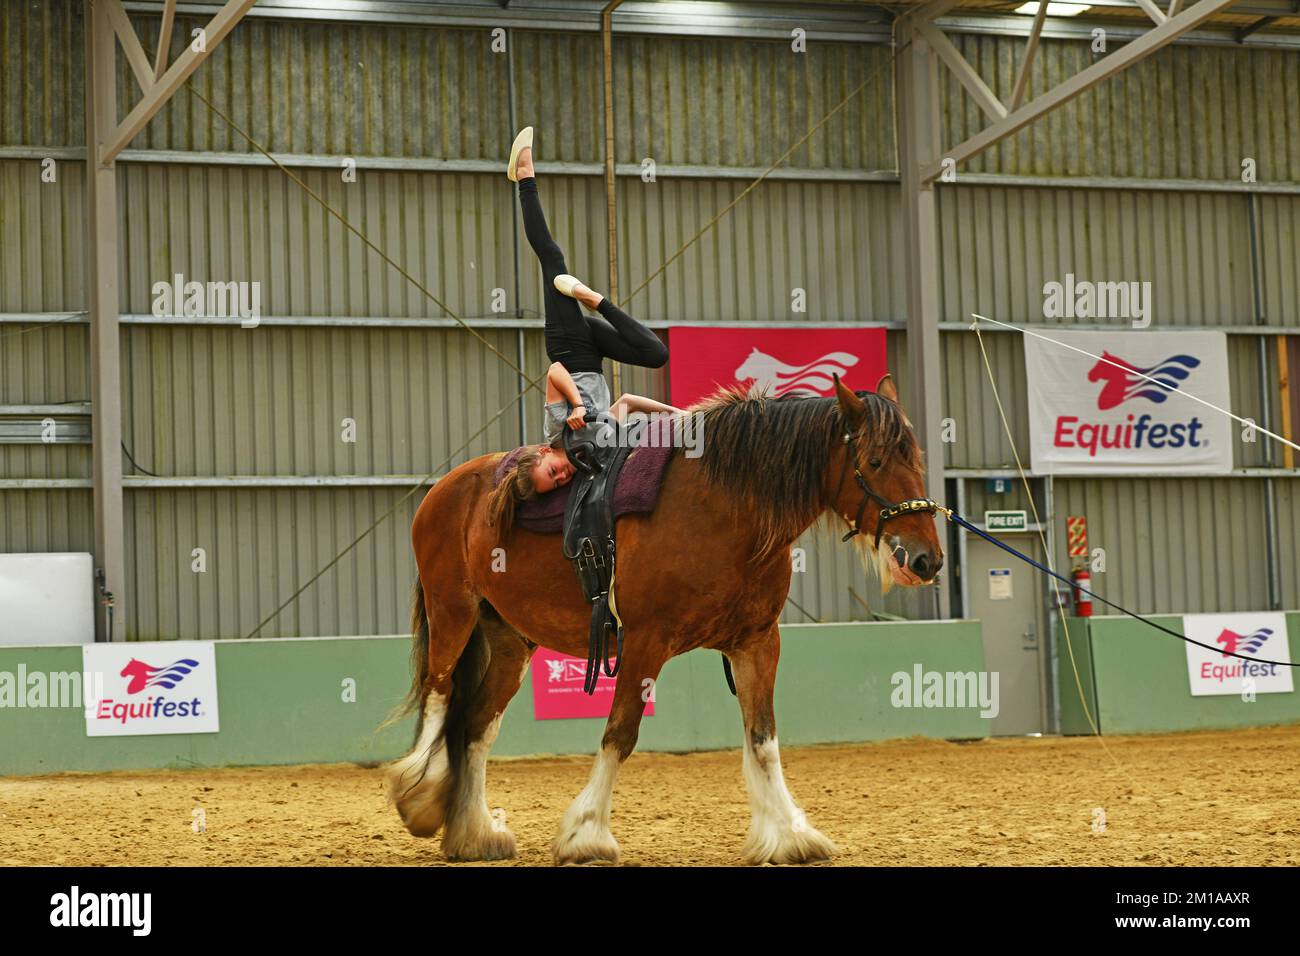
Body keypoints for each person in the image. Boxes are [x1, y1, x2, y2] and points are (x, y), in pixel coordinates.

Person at [497, 126, 681, 510]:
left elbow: (555, 373)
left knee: (553, 258)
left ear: (545, 454)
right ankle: (596, 301)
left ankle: (524, 177)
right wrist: (679, 414)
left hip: (568, 346)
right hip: (594, 353)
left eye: (553, 473)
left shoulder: (556, 431)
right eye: (559, 483)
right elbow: (628, 400)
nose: (562, 477)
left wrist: (578, 406)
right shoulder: (595, 445)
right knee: (656, 354)